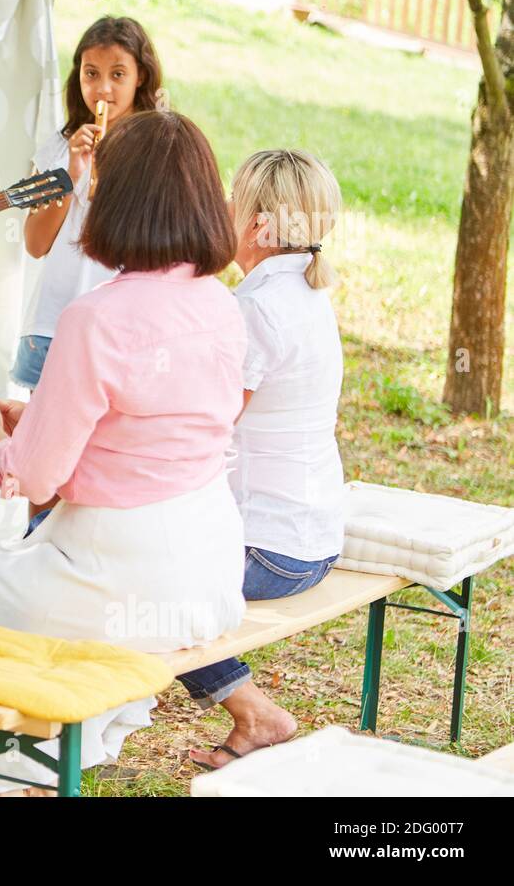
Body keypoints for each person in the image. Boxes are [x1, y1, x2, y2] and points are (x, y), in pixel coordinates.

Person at [0, 111, 247, 792]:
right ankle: (60, 750)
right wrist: (37, 418)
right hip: (208, 571)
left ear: (115, 199)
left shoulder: (95, 319)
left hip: (117, 577)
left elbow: (35, 478)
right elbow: (146, 429)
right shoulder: (219, 304)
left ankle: (8, 774)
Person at [182, 149, 346, 768]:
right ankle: (253, 714)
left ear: (257, 224)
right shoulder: (302, 293)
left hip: (271, 552)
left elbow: (204, 428)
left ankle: (254, 712)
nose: (221, 209)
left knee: (146, 578)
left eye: (231, 199)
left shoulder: (256, 307)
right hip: (313, 539)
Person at [13, 16, 166, 522]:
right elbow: (36, 244)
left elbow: (148, 242)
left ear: (141, 76)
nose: (103, 87)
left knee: (103, 461)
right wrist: (71, 174)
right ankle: (36, 551)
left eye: (118, 74)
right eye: (91, 73)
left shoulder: (157, 149)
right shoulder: (57, 148)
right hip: (54, 323)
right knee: (46, 460)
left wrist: (106, 178)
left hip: (124, 330)